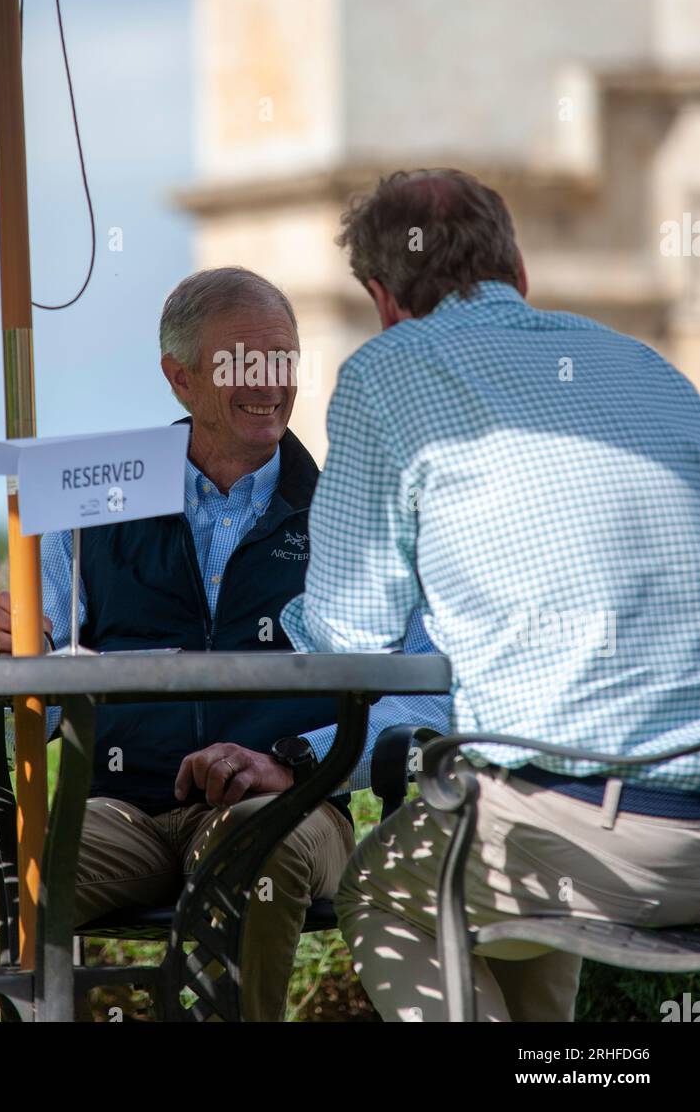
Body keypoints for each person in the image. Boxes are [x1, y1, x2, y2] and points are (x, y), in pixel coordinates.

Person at [0, 265, 447, 1021]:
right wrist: (16, 673)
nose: (268, 383)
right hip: (111, 811)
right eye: (242, 361)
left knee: (251, 852)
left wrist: (292, 762)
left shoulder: (351, 519)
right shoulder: (86, 508)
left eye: (281, 360)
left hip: (289, 810)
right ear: (179, 378)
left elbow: (422, 689)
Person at [282, 169, 700, 1023]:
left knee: (388, 891)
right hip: (671, 818)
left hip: (591, 833)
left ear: (378, 295)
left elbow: (346, 639)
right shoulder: (645, 366)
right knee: (499, 839)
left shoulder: (386, 371)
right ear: (519, 271)